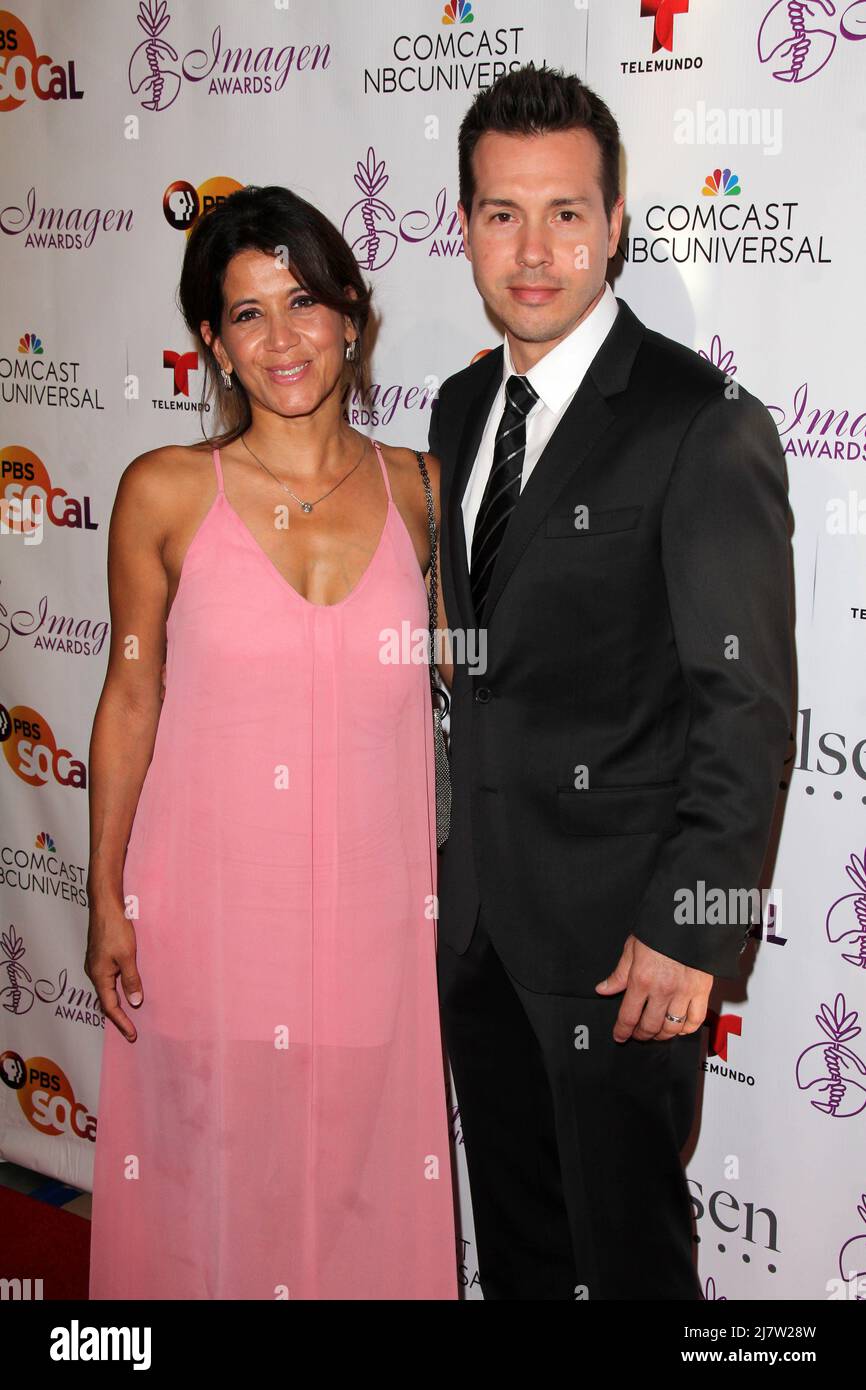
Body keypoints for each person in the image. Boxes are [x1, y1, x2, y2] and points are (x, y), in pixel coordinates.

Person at [428, 66, 793, 1300]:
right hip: (478, 928)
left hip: (621, 946)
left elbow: (741, 697)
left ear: (616, 221)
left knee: (633, 1261)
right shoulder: (458, 407)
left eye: (566, 212)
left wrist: (690, 926)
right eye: (500, 213)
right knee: (526, 1254)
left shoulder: (700, 418)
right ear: (462, 222)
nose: (533, 251)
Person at [86, 184, 457, 1300]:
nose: (281, 338)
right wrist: (105, 892)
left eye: (302, 301)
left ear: (351, 313)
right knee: (210, 1183)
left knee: (357, 1186)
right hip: (206, 913)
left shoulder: (420, 488)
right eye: (246, 315)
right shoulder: (162, 490)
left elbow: (470, 673)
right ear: (214, 343)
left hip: (369, 918)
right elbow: (130, 699)